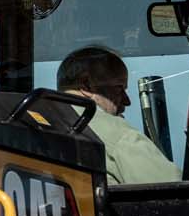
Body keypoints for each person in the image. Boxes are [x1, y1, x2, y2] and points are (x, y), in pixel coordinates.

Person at [55, 46, 177, 186]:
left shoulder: (41, 122)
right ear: (87, 85)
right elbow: (178, 192)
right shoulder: (115, 133)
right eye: (119, 88)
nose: (127, 101)